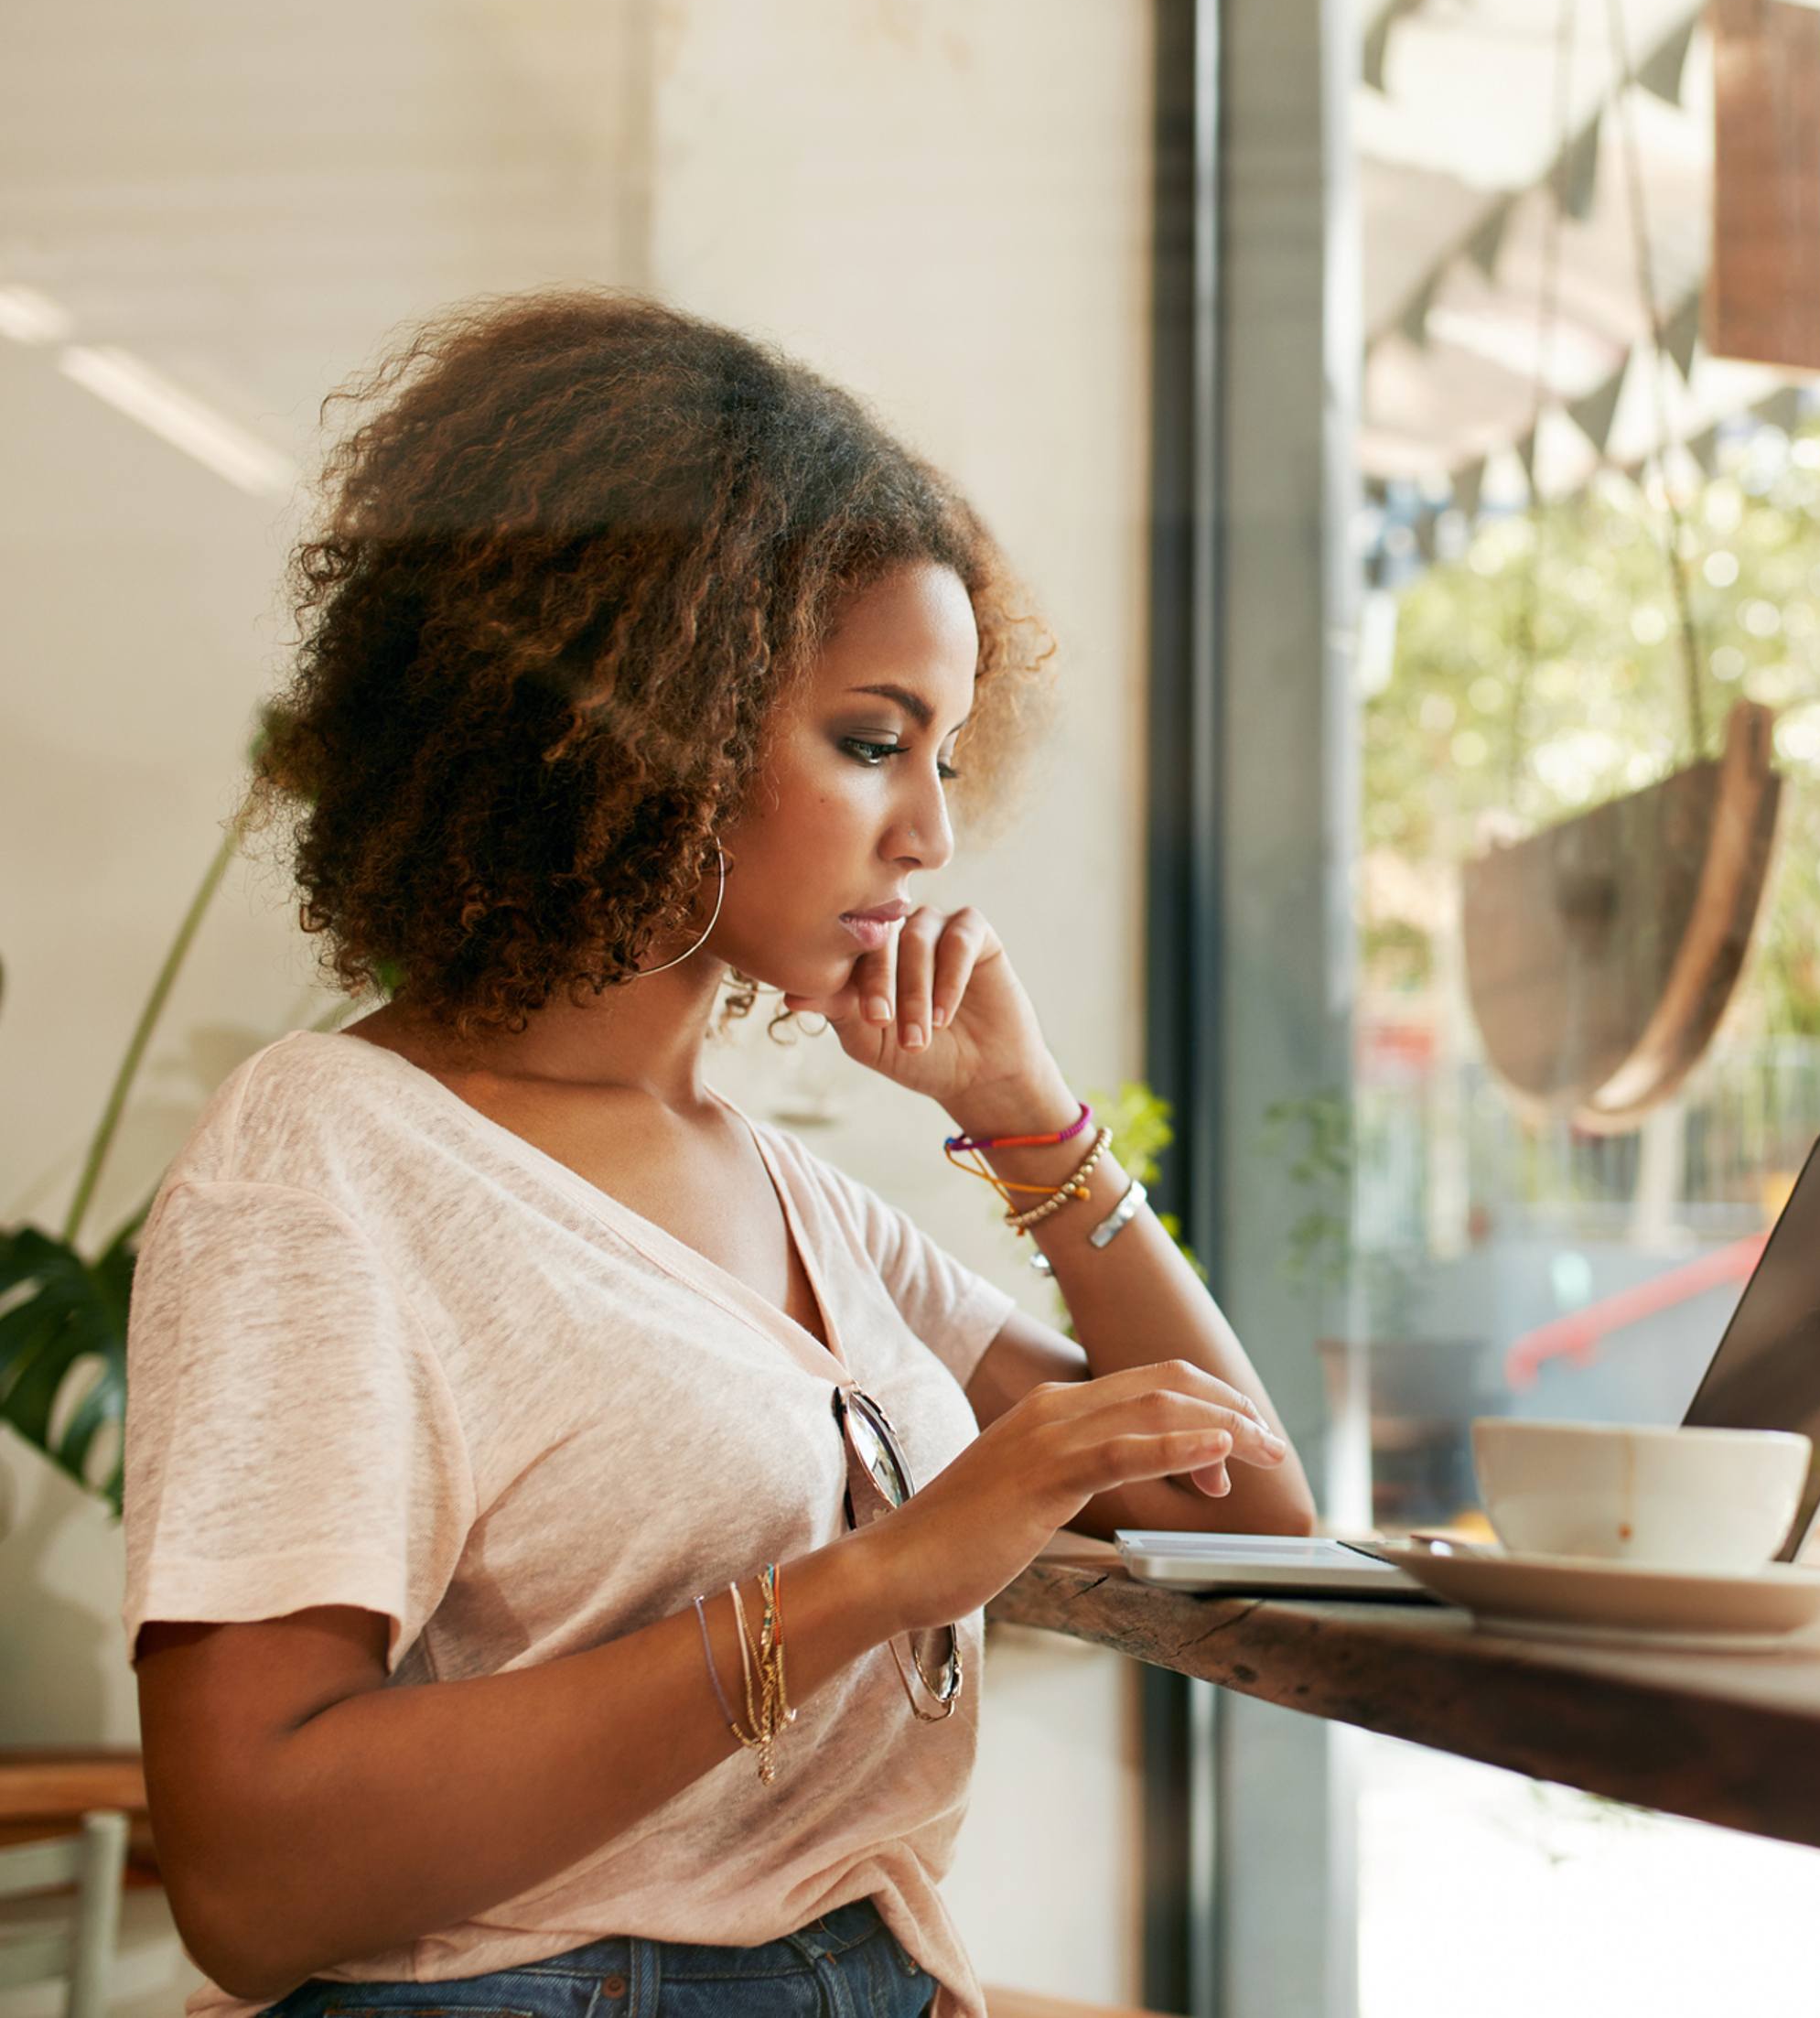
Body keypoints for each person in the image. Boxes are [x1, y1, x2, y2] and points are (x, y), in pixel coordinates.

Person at [124, 289, 1316, 2018]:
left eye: (950, 754)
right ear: (638, 721)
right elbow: (252, 1881)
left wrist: (1026, 1119)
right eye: (871, 739)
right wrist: (887, 1574)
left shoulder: (792, 1195)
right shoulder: (328, 1160)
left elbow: (1250, 1516)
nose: (934, 831)